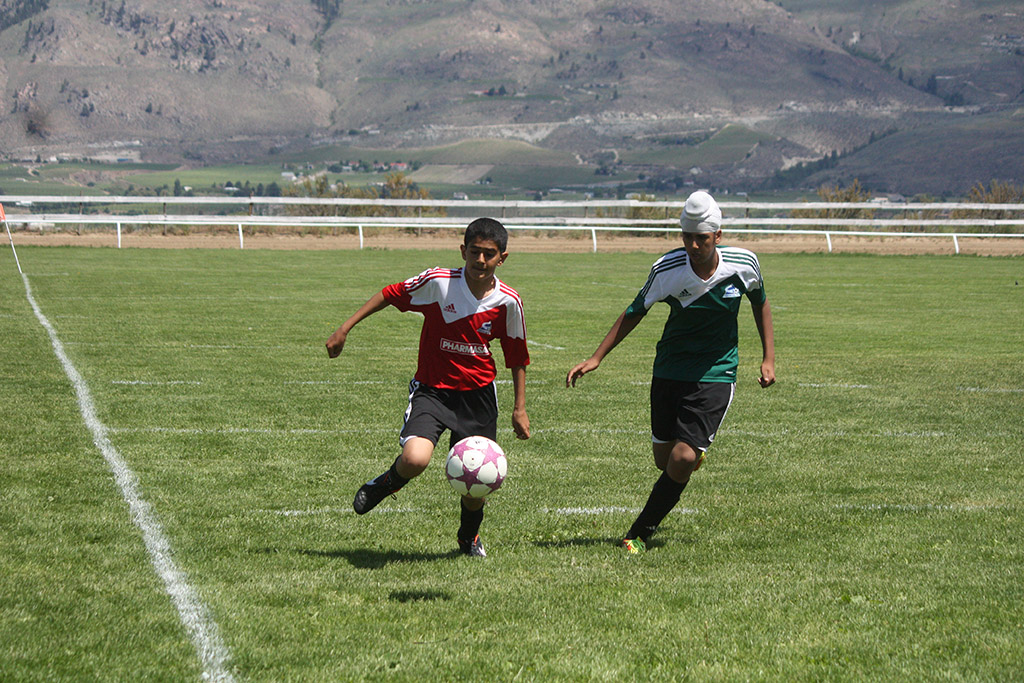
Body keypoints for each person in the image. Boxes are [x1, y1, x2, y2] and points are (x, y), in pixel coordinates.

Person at [566, 190, 775, 554]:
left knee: (681, 460)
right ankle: (693, 453)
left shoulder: (744, 264)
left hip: (716, 372)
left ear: (718, 236)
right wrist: (597, 357)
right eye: (687, 237)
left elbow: (761, 303)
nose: (694, 245)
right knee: (664, 461)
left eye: (702, 238)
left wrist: (768, 357)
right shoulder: (667, 269)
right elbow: (635, 312)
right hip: (669, 370)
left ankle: (638, 534)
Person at [326, 217, 530, 557]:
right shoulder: (439, 282)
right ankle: (385, 484)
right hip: (433, 390)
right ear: (463, 250)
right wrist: (345, 328)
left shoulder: (508, 302)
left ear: (502, 258)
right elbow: (390, 294)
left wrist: (519, 408)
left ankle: (468, 538)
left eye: (489, 254)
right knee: (415, 459)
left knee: (475, 483)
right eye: (475, 252)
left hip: (478, 396)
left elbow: (517, 356)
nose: (481, 261)